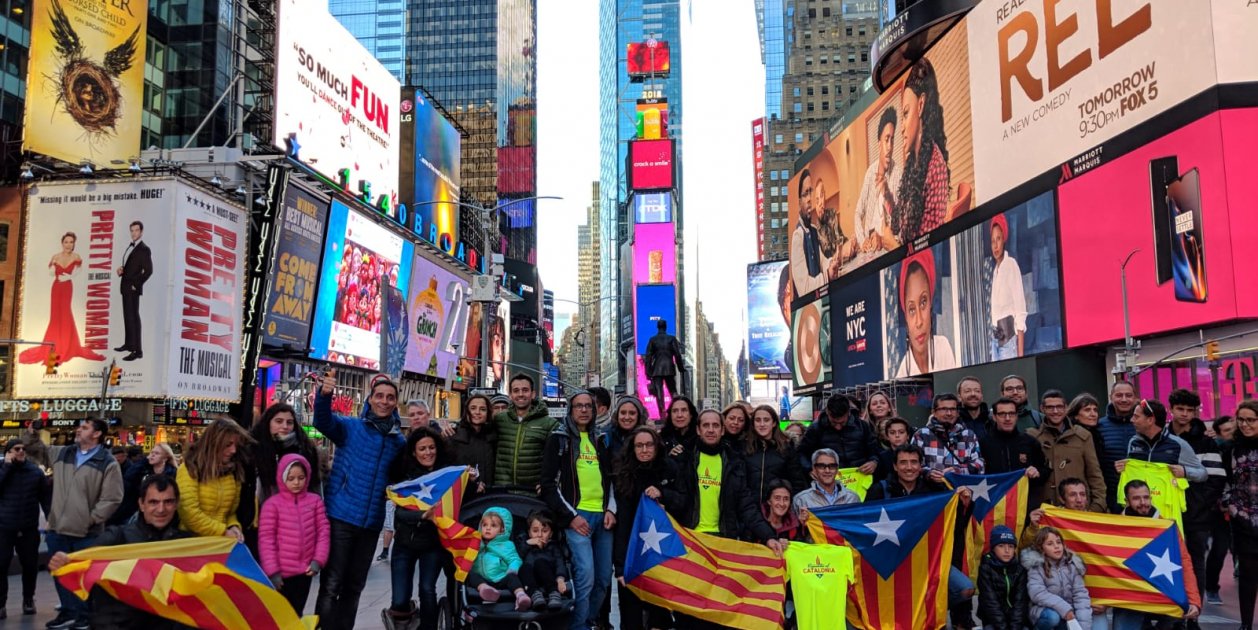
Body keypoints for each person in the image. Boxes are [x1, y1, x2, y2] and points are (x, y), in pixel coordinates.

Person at [313, 369, 406, 630]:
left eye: (390, 397)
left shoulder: (397, 442)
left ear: (395, 403)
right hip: (341, 515)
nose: (384, 401)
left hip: (371, 523)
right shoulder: (350, 427)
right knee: (332, 583)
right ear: (370, 399)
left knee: (355, 586)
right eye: (379, 396)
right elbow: (322, 421)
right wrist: (324, 395)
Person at [47, 475, 191, 629]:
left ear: (176, 504)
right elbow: (85, 559)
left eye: (168, 502)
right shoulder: (117, 537)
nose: (161, 509)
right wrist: (65, 561)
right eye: (153, 502)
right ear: (141, 504)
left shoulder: (187, 545)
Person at [540, 391, 614, 630]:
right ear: (570, 411)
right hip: (577, 518)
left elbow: (611, 479)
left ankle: (588, 620)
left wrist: (611, 509)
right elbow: (549, 485)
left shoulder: (601, 439)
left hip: (603, 519)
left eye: (588, 406)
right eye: (578, 406)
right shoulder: (559, 439)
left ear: (594, 410)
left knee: (603, 579)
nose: (583, 410)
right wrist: (571, 517)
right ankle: (578, 626)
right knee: (585, 577)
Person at [45, 418, 124, 630]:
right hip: (57, 529)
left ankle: (85, 617)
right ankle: (68, 613)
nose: (79, 430)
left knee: (84, 578)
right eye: (80, 426)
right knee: (60, 574)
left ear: (97, 434)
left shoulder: (107, 462)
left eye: (85, 427)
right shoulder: (65, 453)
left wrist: (90, 519)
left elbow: (112, 499)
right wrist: (33, 432)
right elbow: (37, 450)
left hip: (86, 533)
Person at [677, 410, 781, 549]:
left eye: (715, 425)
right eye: (706, 425)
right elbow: (676, 498)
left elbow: (746, 506)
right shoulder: (684, 460)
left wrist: (768, 536)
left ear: (722, 430)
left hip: (724, 539)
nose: (711, 430)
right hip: (690, 537)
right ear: (698, 430)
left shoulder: (734, 463)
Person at [613, 427, 683, 630]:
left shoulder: (670, 468)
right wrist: (619, 567)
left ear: (657, 446)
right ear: (632, 448)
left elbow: (684, 501)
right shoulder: (624, 475)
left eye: (649, 445)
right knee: (631, 614)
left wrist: (663, 494)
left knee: (658, 615)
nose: (644, 450)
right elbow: (623, 523)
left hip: (662, 554)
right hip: (633, 554)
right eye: (639, 445)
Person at [894, 58, 970, 242]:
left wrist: (890, 244)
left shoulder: (935, 168)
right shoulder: (914, 162)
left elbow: (927, 245)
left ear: (920, 105)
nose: (902, 127)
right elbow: (901, 226)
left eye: (905, 114)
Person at [383, 427, 450, 627]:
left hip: (433, 543)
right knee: (399, 600)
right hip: (405, 542)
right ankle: (409, 616)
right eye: (422, 449)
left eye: (431, 447)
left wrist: (473, 482)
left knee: (427, 590)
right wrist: (423, 515)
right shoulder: (406, 478)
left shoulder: (445, 474)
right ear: (414, 452)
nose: (428, 452)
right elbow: (400, 512)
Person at [1167, 388, 1227, 613]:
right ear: (1171, 410)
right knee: (1166, 563)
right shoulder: (1161, 438)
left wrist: (1198, 505)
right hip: (1167, 512)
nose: (1184, 414)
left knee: (1195, 565)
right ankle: (1169, 615)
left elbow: (1216, 480)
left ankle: (1194, 615)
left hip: (1197, 517)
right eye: (1180, 409)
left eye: (1189, 410)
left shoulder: (1206, 443)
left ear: (1195, 412)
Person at [241, 403, 322, 552]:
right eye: (278, 421)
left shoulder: (306, 450)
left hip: (295, 527)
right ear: (268, 423)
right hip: (259, 524)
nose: (284, 426)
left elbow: (315, 490)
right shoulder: (253, 450)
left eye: (289, 422)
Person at [259, 454, 329, 616]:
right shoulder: (272, 505)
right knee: (280, 616)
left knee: (297, 614)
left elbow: (323, 532)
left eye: (301, 477)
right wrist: (272, 571)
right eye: (291, 478)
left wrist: (318, 560)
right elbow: (266, 539)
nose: (296, 482)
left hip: (305, 572)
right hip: (281, 575)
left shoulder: (315, 501)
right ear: (282, 478)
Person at [19, 233, 106, 365]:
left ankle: (66, 346)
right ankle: (55, 344)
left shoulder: (76, 256)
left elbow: (78, 271)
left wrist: (69, 277)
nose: (69, 245)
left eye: (71, 242)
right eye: (66, 242)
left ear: (74, 244)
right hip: (56, 287)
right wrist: (53, 267)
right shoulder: (56, 256)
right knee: (55, 316)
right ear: (62, 243)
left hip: (67, 287)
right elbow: (50, 272)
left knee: (65, 313)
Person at [1029, 390, 1107, 513]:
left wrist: (1097, 506)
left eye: (1059, 407)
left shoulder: (1083, 436)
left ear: (1066, 408)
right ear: (1042, 409)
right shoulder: (1033, 436)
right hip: (1045, 509)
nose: (1055, 411)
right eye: (1050, 407)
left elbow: (1094, 474)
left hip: (1079, 510)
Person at [0, 439, 48, 619]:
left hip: (28, 527)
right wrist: (7, 467)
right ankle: (1, 604)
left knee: (29, 565)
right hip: (4, 527)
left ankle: (28, 599)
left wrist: (50, 518)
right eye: (16, 449)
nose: (20, 451)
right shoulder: (2, 469)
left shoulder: (35, 472)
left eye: (23, 449)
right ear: (8, 452)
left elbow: (45, 497)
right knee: (1, 565)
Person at [894, 248, 957, 376]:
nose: (919, 322)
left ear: (931, 305)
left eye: (923, 302)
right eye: (911, 309)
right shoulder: (902, 375)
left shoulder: (943, 348)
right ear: (905, 316)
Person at [1225, 400, 1258, 630]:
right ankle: (1245, 625)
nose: (1245, 424)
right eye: (1242, 419)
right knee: (1247, 577)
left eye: (1251, 420)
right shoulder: (1231, 448)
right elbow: (1224, 481)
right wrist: (1230, 505)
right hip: (1242, 522)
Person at [852, 106, 903, 255]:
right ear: (879, 143)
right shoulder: (870, 173)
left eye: (892, 140)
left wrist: (881, 238)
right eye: (886, 140)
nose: (890, 147)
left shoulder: (897, 174)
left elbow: (899, 225)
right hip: (868, 251)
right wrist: (862, 241)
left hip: (887, 251)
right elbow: (857, 213)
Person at [493, 373, 558, 490]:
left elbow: (558, 459)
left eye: (525, 390)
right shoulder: (499, 420)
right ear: (510, 395)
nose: (521, 394)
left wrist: (548, 484)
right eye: (516, 390)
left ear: (533, 394)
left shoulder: (549, 424)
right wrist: (448, 424)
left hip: (533, 494)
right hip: (502, 492)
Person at [983, 397, 1048, 511]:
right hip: (993, 506)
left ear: (1017, 416)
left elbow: (1044, 470)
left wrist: (1037, 472)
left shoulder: (1030, 442)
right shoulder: (983, 443)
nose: (1007, 418)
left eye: (1011, 414)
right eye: (1002, 414)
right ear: (994, 417)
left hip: (1024, 506)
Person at [1021, 527, 1092, 630]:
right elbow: (1037, 593)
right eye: (1050, 544)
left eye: (1059, 542)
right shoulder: (1036, 566)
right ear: (1041, 548)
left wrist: (1083, 627)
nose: (1056, 546)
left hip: (1069, 616)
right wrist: (1066, 610)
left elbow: (1081, 596)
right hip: (1045, 613)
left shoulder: (1072, 565)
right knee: (1053, 617)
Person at [466, 507, 532, 611]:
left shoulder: (506, 545)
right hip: (482, 581)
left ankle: (521, 595)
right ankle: (485, 589)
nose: (488, 528)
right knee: (470, 575)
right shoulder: (475, 543)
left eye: (493, 526)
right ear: (480, 527)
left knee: (512, 578)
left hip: (500, 578)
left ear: (502, 529)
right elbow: (467, 558)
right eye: (484, 525)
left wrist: (512, 569)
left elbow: (515, 559)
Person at [798, 393, 880, 473]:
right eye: (833, 422)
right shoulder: (815, 429)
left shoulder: (862, 426)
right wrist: (809, 469)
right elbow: (801, 452)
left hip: (860, 477)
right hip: (828, 479)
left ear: (848, 412)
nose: (838, 427)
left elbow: (874, 450)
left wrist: (873, 462)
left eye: (842, 423)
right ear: (827, 412)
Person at [911, 393, 985, 479]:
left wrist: (958, 471)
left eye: (953, 409)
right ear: (934, 412)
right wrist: (928, 473)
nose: (949, 413)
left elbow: (980, 465)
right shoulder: (922, 435)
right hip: (934, 490)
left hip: (963, 490)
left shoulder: (968, 435)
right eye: (944, 409)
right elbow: (912, 465)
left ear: (958, 413)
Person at [744, 405, 808, 503]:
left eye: (766, 420)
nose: (762, 424)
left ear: (774, 423)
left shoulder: (787, 449)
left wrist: (787, 505)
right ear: (753, 423)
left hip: (778, 510)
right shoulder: (745, 448)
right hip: (749, 510)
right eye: (757, 420)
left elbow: (797, 482)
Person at [790, 168, 837, 295]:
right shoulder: (797, 237)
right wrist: (827, 275)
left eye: (810, 192)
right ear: (799, 202)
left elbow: (822, 261)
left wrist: (832, 262)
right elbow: (804, 289)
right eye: (805, 194)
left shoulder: (814, 230)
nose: (810, 199)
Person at [988, 215, 1028, 360]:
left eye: (998, 239)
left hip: (1009, 342)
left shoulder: (1011, 265)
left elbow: (1020, 310)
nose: (995, 245)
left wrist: (1021, 355)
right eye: (992, 241)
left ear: (1004, 239)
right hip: (995, 342)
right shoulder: (995, 272)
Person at [1206, 414, 1235, 604]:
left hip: (1245, 508)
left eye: (1233, 430)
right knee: (1220, 548)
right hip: (1220, 509)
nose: (1232, 435)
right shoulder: (1216, 452)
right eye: (1227, 432)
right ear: (1218, 435)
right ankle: (1211, 587)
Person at [1097, 381, 1138, 513]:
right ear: (1111, 397)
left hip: (1144, 495)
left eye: (1128, 395)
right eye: (1119, 395)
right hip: (1111, 495)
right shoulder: (1099, 427)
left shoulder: (1145, 425)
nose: (1124, 399)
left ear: (1135, 398)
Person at [977, 525, 1028, 630]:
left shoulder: (1020, 569)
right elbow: (990, 602)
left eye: (1011, 546)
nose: (1007, 550)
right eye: (1001, 545)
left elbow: (1020, 602)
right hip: (993, 620)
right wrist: (1003, 627)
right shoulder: (985, 568)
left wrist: (1014, 628)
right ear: (993, 548)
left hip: (1016, 621)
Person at [115, 220, 153, 361]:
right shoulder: (130, 246)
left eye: (136, 230)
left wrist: (136, 284)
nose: (134, 233)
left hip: (132, 288)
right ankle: (129, 344)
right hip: (125, 287)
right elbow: (132, 267)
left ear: (141, 232)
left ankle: (138, 351)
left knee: (134, 318)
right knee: (127, 317)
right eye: (132, 230)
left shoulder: (144, 249)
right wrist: (122, 270)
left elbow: (148, 271)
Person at [447, 394, 497, 498]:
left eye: (482, 409)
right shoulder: (452, 436)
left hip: (490, 496)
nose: (477, 412)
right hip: (463, 498)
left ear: (488, 413)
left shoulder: (494, 437)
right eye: (473, 408)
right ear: (466, 412)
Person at [519, 512, 569, 610]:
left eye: (545, 531)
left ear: (550, 534)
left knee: (540, 563)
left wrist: (560, 579)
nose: (540, 535)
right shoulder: (524, 544)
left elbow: (560, 563)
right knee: (523, 567)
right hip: (530, 579)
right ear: (529, 533)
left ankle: (554, 594)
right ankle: (535, 595)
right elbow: (517, 556)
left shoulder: (553, 547)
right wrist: (528, 543)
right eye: (535, 531)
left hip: (548, 577)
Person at [792, 448, 860, 520]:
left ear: (837, 470)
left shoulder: (853, 498)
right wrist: (800, 524)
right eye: (821, 466)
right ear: (814, 469)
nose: (827, 471)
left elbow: (859, 527)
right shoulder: (801, 500)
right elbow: (793, 529)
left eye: (832, 466)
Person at [643, 319, 686, 419]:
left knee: (659, 392)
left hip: (657, 369)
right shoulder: (671, 338)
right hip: (669, 368)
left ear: (658, 327)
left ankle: (662, 413)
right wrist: (681, 368)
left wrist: (648, 371)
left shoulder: (652, 339)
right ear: (665, 327)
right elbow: (677, 355)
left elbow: (648, 357)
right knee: (673, 391)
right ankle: (676, 410)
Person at [601, 395, 648, 463]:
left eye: (632, 413)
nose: (627, 417)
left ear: (639, 416)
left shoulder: (648, 437)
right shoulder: (606, 437)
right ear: (617, 415)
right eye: (623, 413)